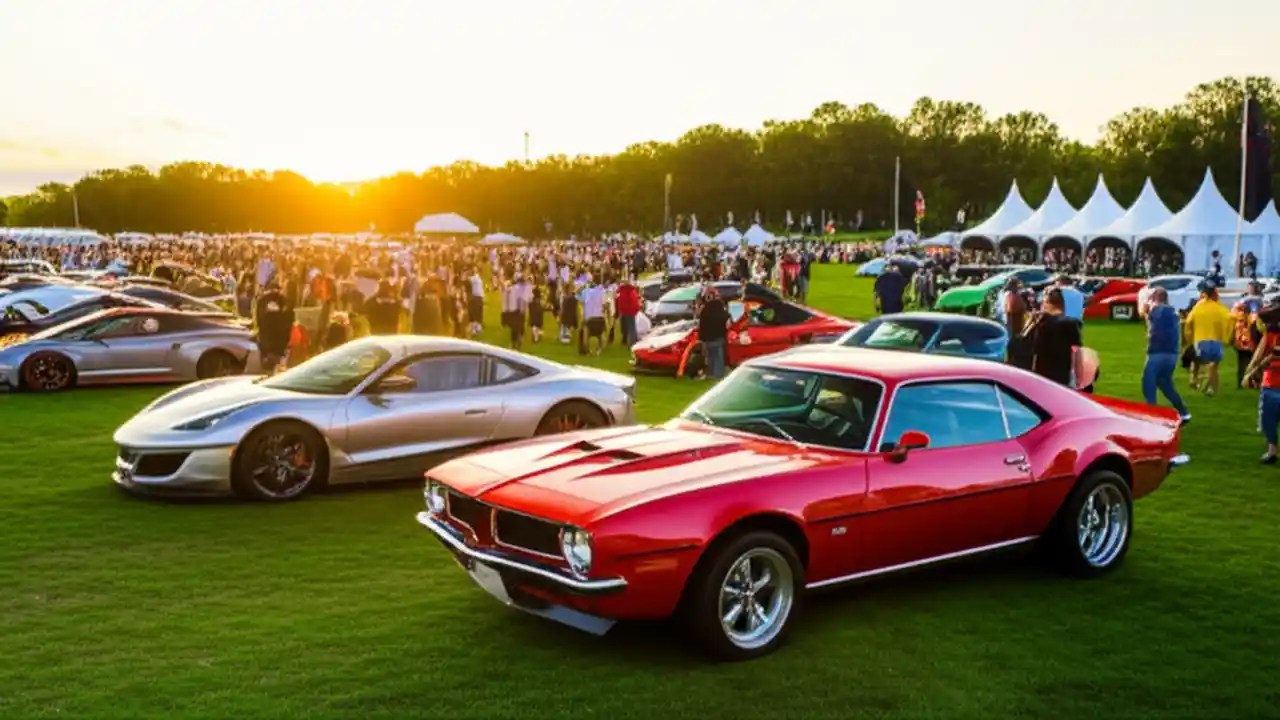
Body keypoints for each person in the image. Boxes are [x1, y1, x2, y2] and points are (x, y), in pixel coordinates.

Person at [1142, 288, 1191, 424]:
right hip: (1172, 354)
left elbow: (1151, 327)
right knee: (1165, 383)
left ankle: (1151, 415)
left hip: (1157, 352)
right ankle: (1183, 412)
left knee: (1148, 383)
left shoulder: (1157, 310)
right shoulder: (1173, 313)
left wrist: (1147, 312)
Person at [1241, 297, 1280, 464]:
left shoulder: (1271, 333)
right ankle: (1272, 450)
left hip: (1271, 382)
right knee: (1267, 421)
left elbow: (1268, 355)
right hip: (1271, 381)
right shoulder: (1271, 333)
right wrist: (1250, 371)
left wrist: (1251, 372)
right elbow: (1260, 354)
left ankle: (1272, 450)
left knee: (1267, 419)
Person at [1184, 285, 1234, 396]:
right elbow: (1230, 320)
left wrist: (1189, 338)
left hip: (1200, 340)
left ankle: (1194, 380)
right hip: (1216, 341)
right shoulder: (1220, 308)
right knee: (1213, 366)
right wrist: (1227, 337)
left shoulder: (1198, 307)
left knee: (1196, 361)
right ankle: (1210, 389)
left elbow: (1188, 322)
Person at [1028, 288, 1083, 387]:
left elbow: (1036, 352)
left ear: (1047, 303)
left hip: (1043, 372)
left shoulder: (1042, 323)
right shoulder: (1072, 323)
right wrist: (1078, 376)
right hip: (1063, 371)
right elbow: (1077, 352)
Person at [256, 281, 294, 373]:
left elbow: (259, 320)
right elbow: (289, 320)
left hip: (269, 341)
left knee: (269, 366)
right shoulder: (284, 301)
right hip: (278, 342)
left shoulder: (263, 301)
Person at [696, 286, 730, 379]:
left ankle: (711, 373)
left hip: (707, 338)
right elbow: (726, 318)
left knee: (710, 356)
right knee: (718, 357)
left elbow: (699, 319)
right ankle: (718, 374)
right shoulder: (719, 308)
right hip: (718, 336)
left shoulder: (705, 308)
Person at [580, 280, 606, 355]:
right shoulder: (601, 291)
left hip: (589, 318)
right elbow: (605, 305)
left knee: (584, 332)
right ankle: (600, 349)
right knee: (600, 334)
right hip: (600, 317)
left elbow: (581, 302)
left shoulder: (585, 291)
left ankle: (586, 350)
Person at [615, 277, 641, 346]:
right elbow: (636, 301)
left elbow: (618, 301)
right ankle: (629, 341)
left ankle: (631, 342)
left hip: (625, 311)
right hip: (631, 311)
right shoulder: (632, 291)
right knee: (629, 327)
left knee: (626, 327)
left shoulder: (621, 291)